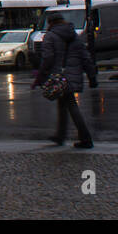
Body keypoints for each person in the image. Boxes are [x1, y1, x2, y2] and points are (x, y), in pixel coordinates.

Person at [35, 13, 97, 148]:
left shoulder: (50, 36)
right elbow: (85, 57)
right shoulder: (75, 36)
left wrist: (40, 76)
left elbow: (47, 58)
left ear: (50, 22)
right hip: (73, 75)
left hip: (59, 76)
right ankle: (60, 136)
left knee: (71, 106)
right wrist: (92, 75)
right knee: (63, 105)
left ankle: (85, 138)